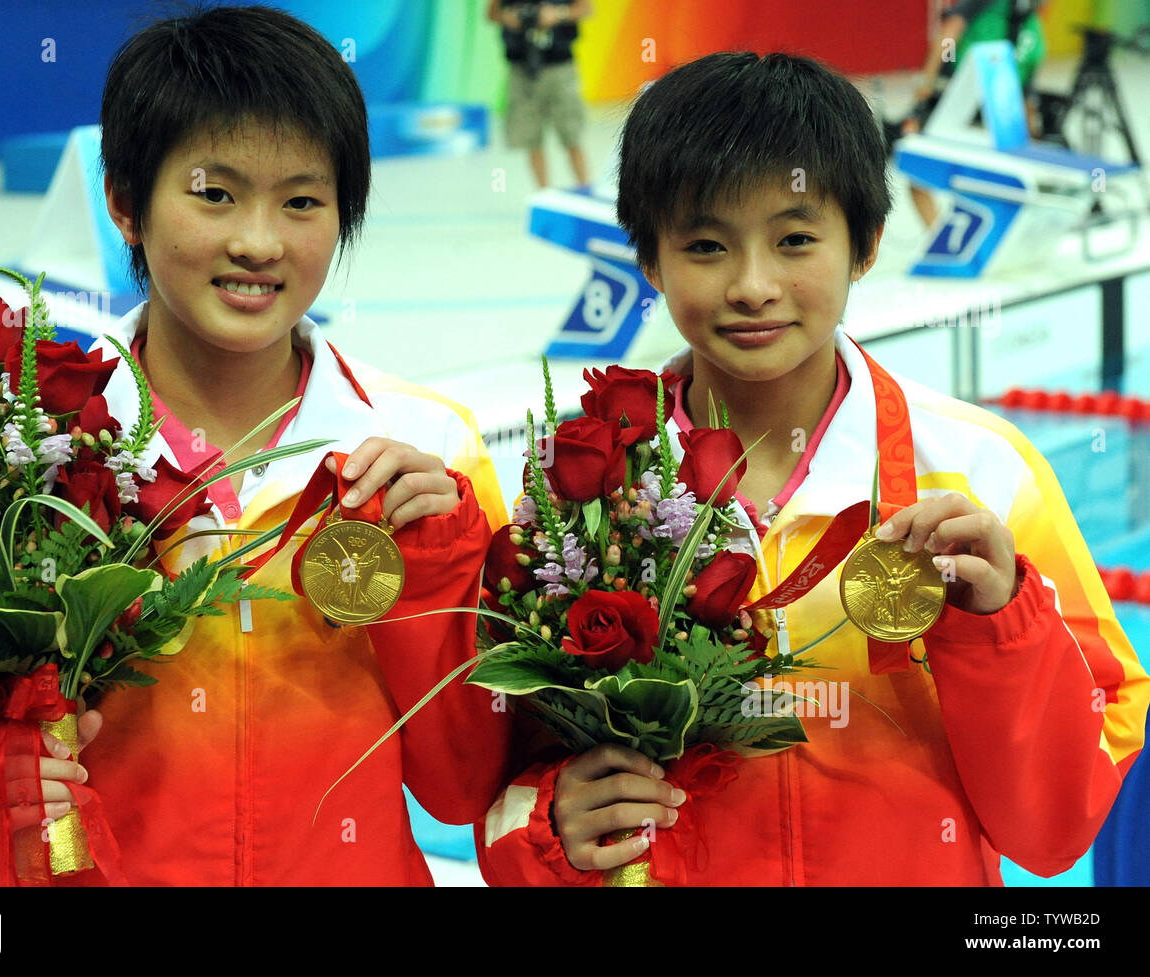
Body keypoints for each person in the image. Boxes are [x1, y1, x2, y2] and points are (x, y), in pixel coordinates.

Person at [0, 4, 510, 885]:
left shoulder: (426, 449)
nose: (257, 241)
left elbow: (465, 786)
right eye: (214, 192)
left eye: (303, 201)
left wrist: (427, 582)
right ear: (125, 201)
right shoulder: (14, 460)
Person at [475, 51, 1148, 885]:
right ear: (648, 260)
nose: (754, 286)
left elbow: (1059, 824)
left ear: (864, 244)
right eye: (707, 245)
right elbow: (492, 770)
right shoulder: (580, 495)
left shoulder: (977, 471)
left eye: (795, 239)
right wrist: (550, 822)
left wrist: (1000, 627)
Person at [892, 0, 1048, 226]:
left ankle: (947, 236)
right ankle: (945, 235)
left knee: (923, 173)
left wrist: (928, 78)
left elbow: (951, 28)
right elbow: (952, 29)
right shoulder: (1033, 29)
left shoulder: (1033, 29)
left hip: (969, 108)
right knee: (932, 174)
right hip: (973, 106)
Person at [487, 0, 593, 189]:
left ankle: (585, 189)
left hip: (559, 67)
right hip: (522, 69)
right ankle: (544, 194)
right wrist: (509, 18)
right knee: (531, 138)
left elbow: (585, 8)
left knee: (572, 134)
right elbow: (491, 14)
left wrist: (558, 14)